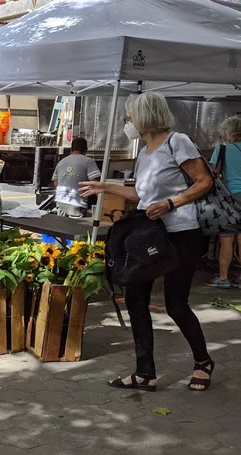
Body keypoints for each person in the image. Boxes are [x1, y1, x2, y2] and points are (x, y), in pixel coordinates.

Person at [80, 92, 215, 392]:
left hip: (181, 233)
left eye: (130, 116)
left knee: (176, 305)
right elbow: (142, 197)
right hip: (148, 235)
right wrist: (105, 187)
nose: (127, 122)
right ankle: (145, 373)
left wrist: (171, 203)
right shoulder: (144, 151)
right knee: (135, 299)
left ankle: (203, 362)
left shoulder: (176, 142)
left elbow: (204, 182)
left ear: (145, 116)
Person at [207, 116, 241, 289]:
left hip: (229, 198)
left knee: (226, 240)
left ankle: (223, 278)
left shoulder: (222, 150)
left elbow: (213, 173)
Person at [51, 136, 101, 217]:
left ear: (71, 149)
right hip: (76, 202)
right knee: (75, 228)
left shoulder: (61, 162)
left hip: (60, 201)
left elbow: (56, 182)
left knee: (61, 227)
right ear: (86, 149)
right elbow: (95, 184)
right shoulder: (88, 161)